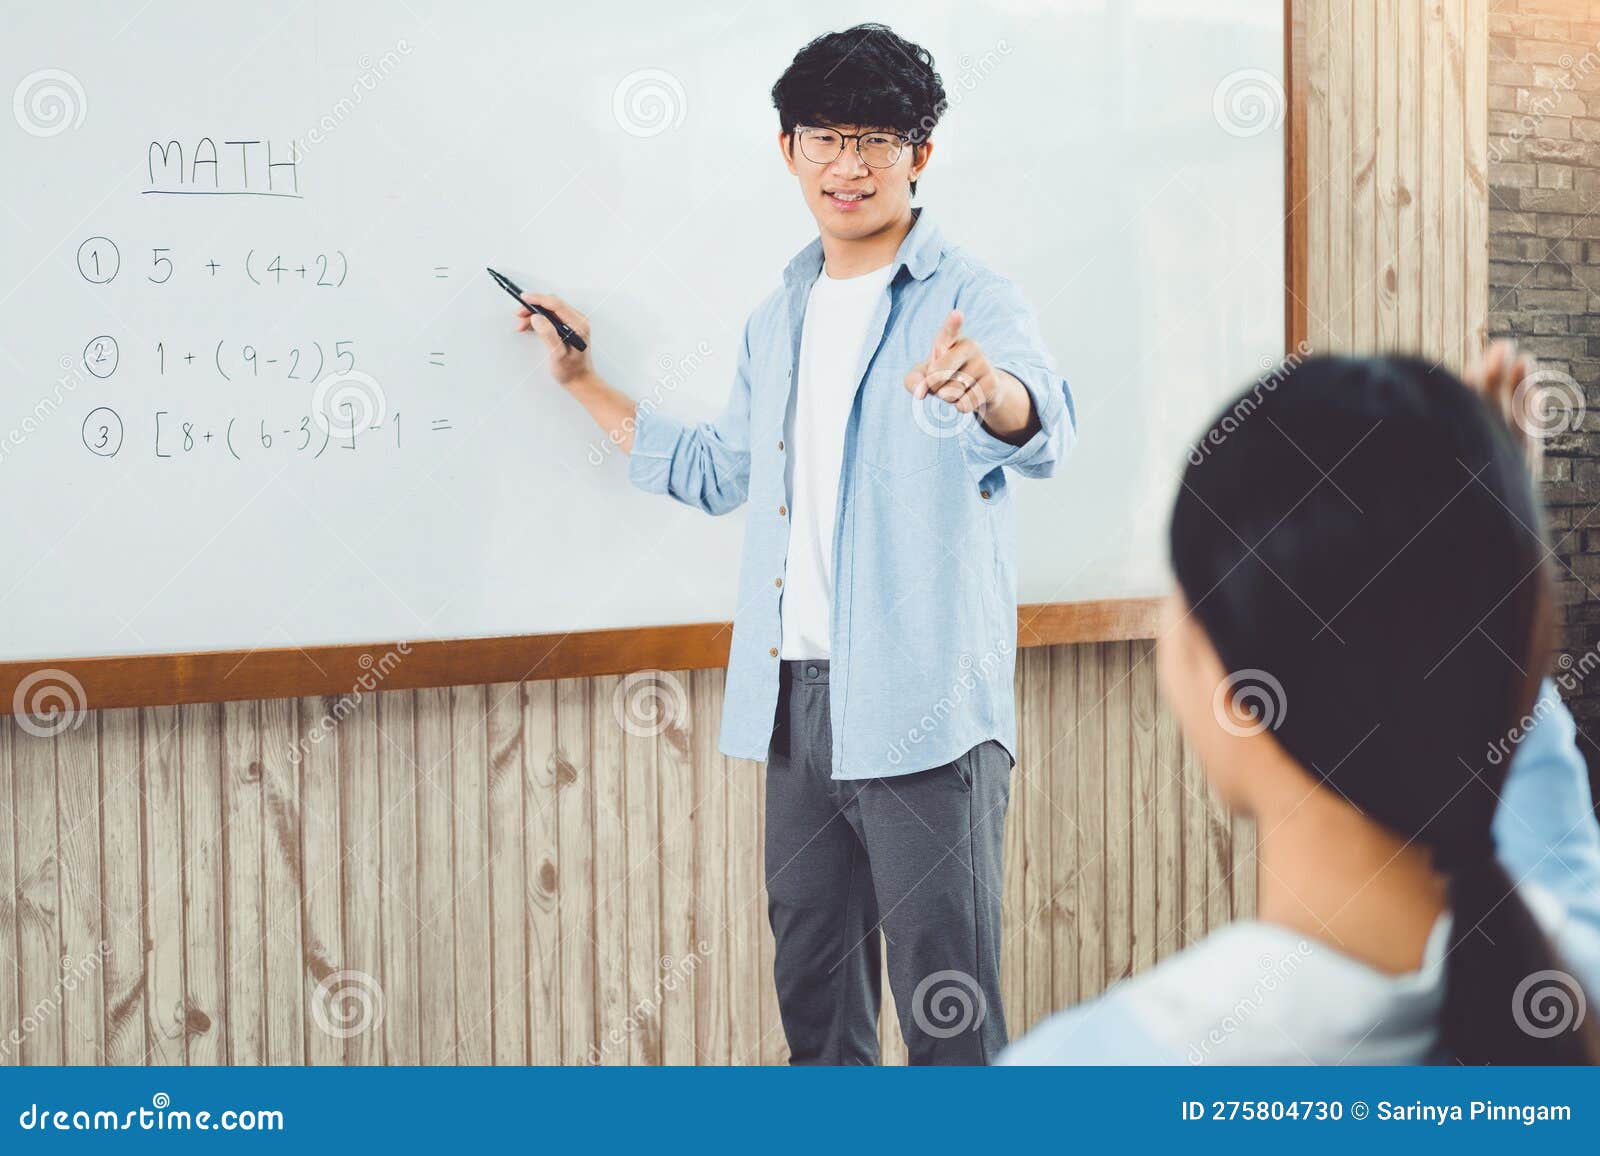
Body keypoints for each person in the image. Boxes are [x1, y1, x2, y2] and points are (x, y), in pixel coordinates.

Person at [514, 25, 1075, 1064]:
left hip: (924, 707)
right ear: (788, 151)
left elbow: (1042, 423)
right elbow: (718, 470)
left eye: (877, 138)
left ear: (921, 153)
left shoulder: (973, 300)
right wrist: (582, 383)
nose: (849, 165)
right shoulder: (778, 318)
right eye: (823, 137)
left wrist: (988, 389)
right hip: (794, 702)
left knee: (945, 1004)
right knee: (813, 992)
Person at [1004, 345, 1600, 1065]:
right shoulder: (1570, 975)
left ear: (1235, 693)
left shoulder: (1082, 1081)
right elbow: (1510, 733)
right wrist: (1482, 536)